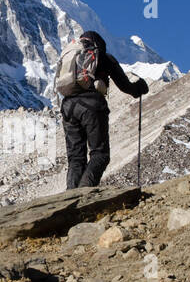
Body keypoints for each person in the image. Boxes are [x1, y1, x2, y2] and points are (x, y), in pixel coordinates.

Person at [58, 30, 148, 189]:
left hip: (67, 107)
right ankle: (83, 196)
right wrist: (139, 89)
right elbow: (126, 86)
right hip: (92, 106)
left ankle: (69, 200)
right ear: (99, 45)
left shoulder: (71, 57)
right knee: (100, 154)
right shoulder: (104, 58)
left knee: (76, 158)